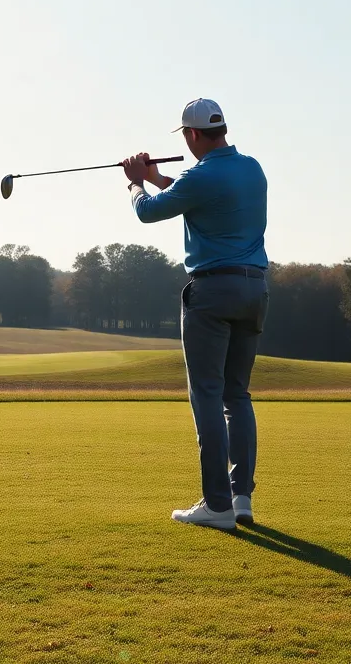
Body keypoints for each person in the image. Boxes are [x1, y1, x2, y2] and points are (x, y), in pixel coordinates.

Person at [121, 98, 269, 530]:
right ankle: (240, 499)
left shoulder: (199, 176)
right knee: (236, 396)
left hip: (213, 291)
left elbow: (149, 211)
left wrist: (135, 183)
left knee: (206, 394)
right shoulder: (251, 168)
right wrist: (156, 176)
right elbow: (196, 194)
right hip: (254, 287)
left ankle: (216, 505)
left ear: (192, 135)